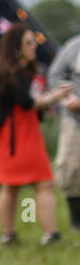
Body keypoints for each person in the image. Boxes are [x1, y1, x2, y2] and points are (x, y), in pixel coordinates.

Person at [0, 24, 73, 245]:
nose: (34, 46)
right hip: (19, 136)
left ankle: (10, 234)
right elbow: (27, 103)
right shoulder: (16, 73)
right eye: (28, 42)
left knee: (11, 186)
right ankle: (49, 233)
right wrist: (54, 97)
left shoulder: (6, 71)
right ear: (16, 47)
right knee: (42, 183)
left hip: (9, 137)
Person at [47, 32, 80, 230]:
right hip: (74, 120)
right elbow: (55, 75)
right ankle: (77, 221)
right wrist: (67, 99)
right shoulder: (74, 46)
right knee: (69, 168)